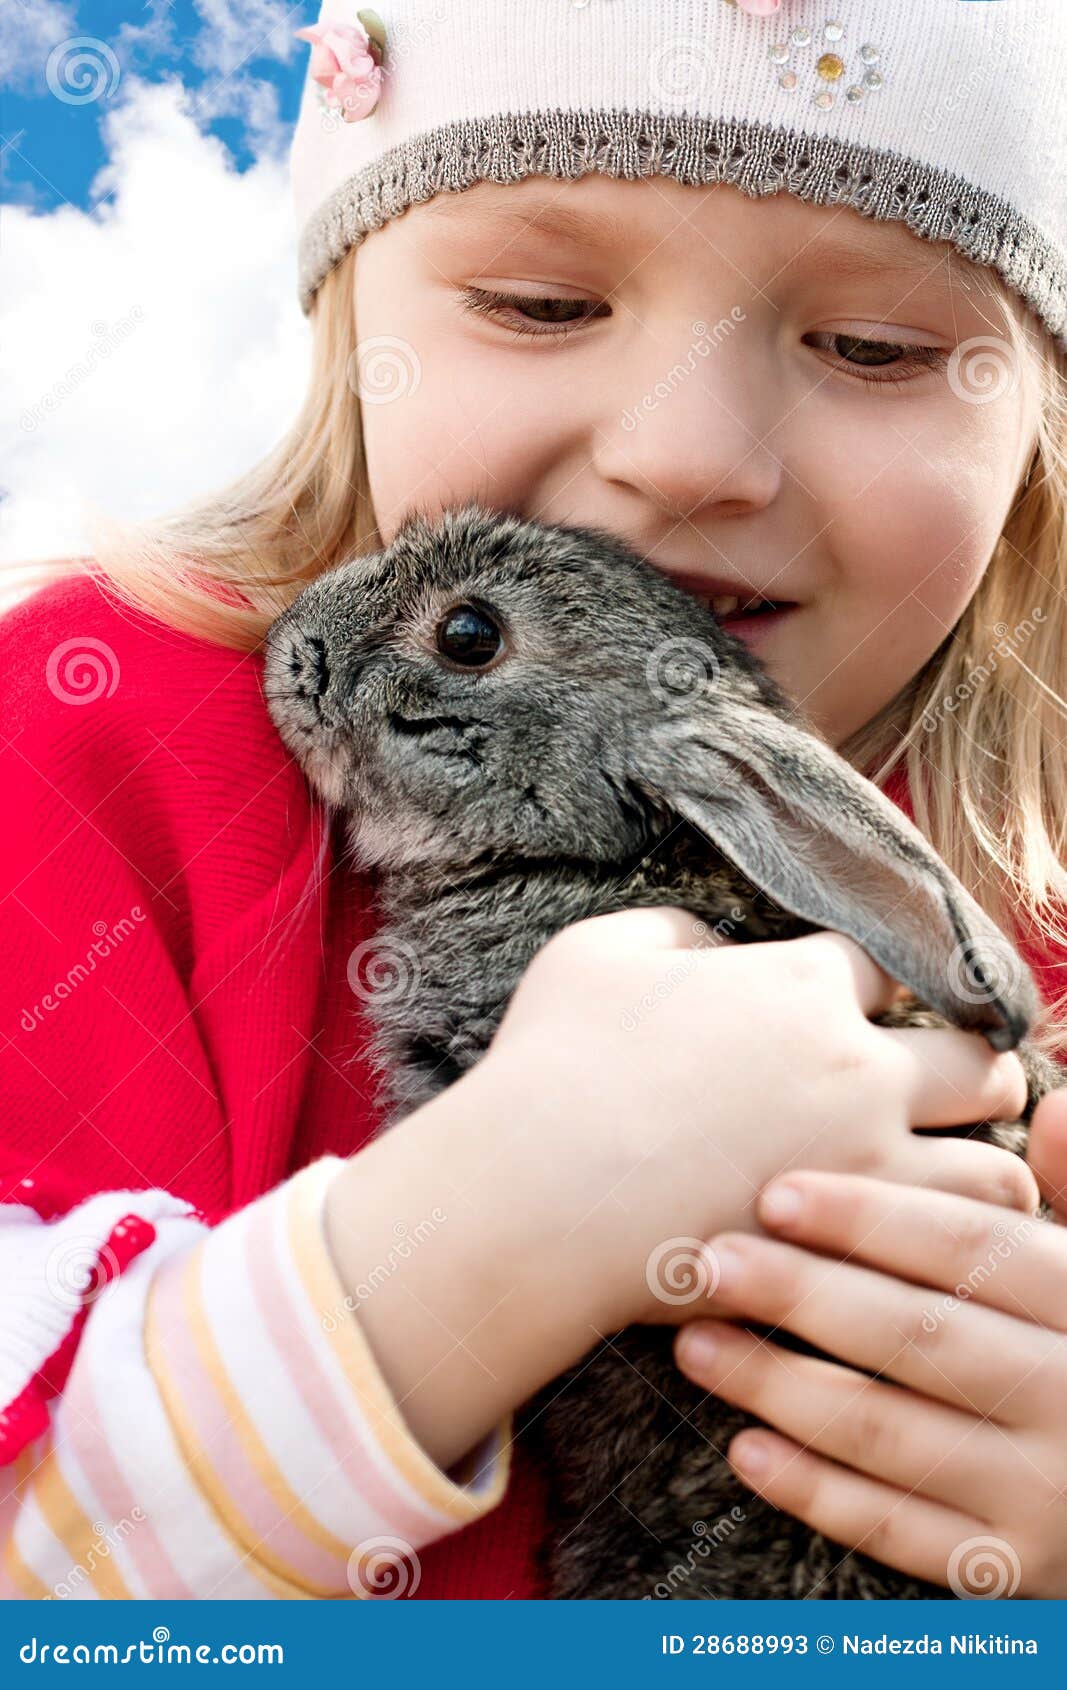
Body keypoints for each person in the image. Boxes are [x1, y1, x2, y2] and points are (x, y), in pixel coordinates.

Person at [2, 0, 1066, 1600]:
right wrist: (484, 1236)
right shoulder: (88, 757)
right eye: (542, 304)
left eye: (876, 348)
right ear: (354, 323)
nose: (690, 451)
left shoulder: (1021, 928)